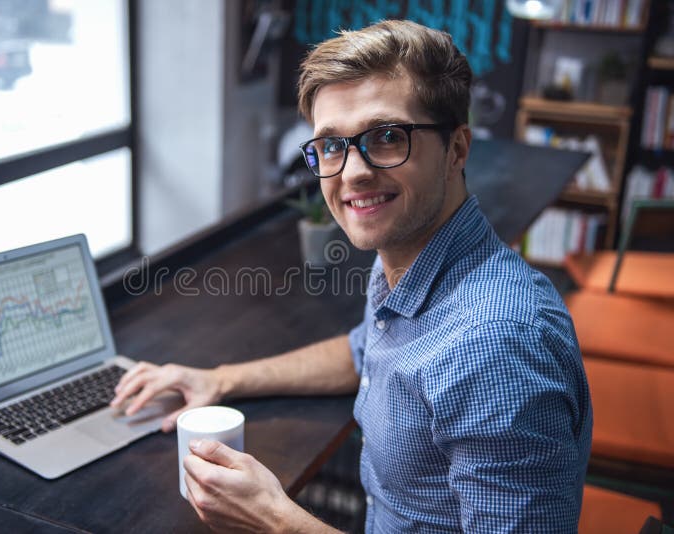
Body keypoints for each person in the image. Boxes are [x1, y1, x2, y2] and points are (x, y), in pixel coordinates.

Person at [111, 19, 592, 532]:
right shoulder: (413, 262)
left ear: (456, 149)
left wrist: (275, 519)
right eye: (332, 146)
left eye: (387, 137)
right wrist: (220, 379)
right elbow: (365, 350)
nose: (353, 172)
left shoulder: (494, 348)